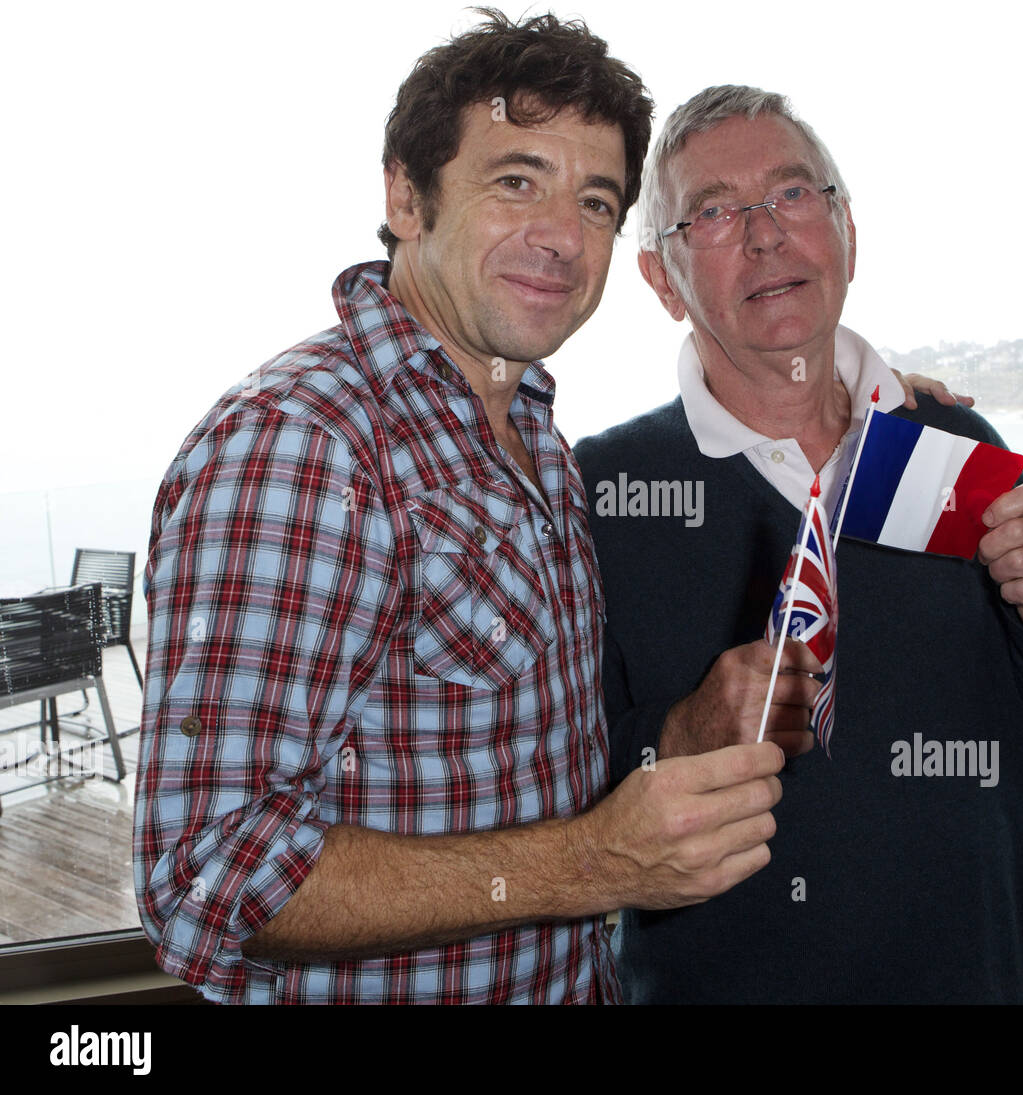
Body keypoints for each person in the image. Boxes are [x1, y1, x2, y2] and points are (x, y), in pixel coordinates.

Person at [132, 14, 791, 1006]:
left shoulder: (531, 440)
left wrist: (680, 738)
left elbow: (506, 772)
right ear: (406, 195)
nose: (564, 237)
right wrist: (597, 867)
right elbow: (206, 881)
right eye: (516, 181)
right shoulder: (304, 441)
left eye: (598, 201)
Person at [574, 85, 1023, 1004]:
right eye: (711, 212)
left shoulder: (954, 441)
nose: (764, 234)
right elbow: (556, 791)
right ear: (662, 281)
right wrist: (682, 734)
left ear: (847, 234)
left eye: (792, 195)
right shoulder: (599, 494)